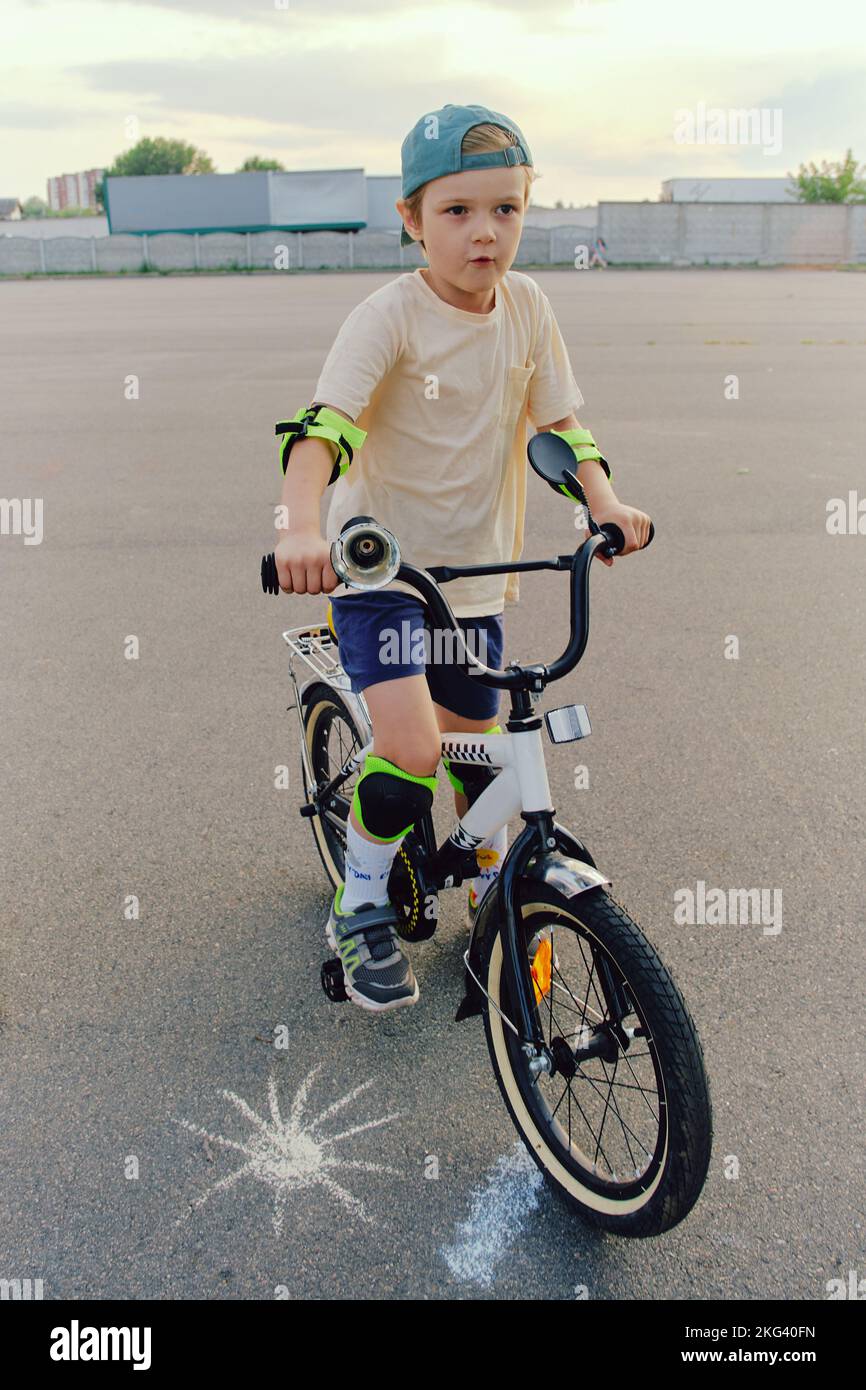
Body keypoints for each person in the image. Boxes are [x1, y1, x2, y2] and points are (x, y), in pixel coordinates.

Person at [272, 103, 651, 1013]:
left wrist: (604, 502)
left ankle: (490, 885)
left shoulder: (528, 307)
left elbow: (560, 421)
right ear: (412, 217)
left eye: (507, 210)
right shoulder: (387, 317)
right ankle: (358, 897)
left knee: (483, 759)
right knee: (409, 748)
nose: (485, 233)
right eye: (458, 212)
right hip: (383, 576)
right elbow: (323, 430)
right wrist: (299, 526)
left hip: (477, 577)